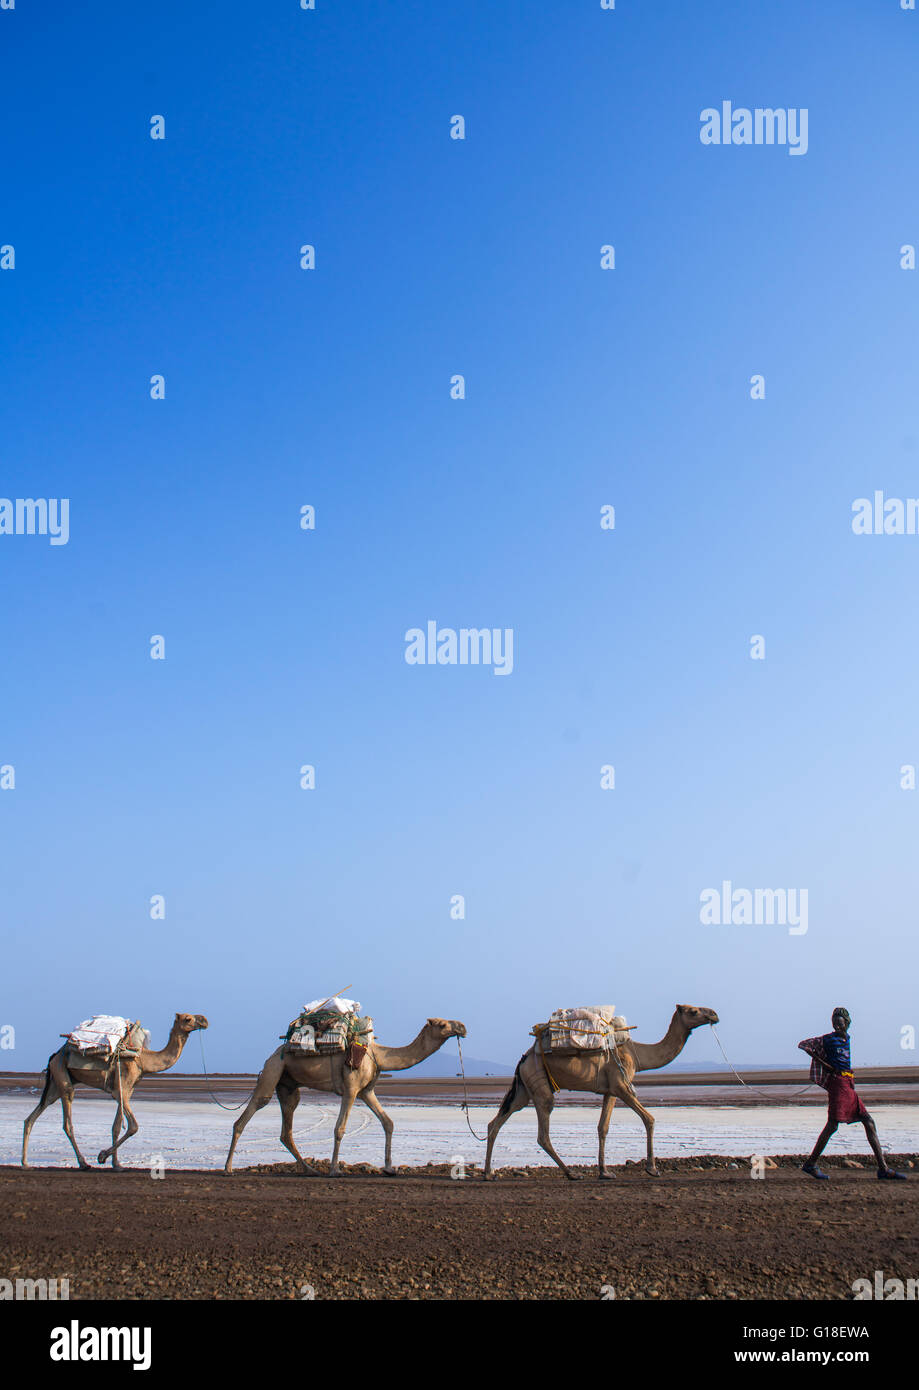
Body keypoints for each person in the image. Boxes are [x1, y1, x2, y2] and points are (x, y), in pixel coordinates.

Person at [798, 1007, 907, 1181]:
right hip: (838, 1085)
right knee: (833, 1125)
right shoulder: (828, 1039)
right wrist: (818, 1059)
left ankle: (883, 1169)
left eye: (840, 1023)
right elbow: (803, 1045)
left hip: (848, 1084)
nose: (837, 1027)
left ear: (847, 1024)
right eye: (835, 1023)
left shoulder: (847, 1038)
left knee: (868, 1122)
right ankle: (810, 1164)